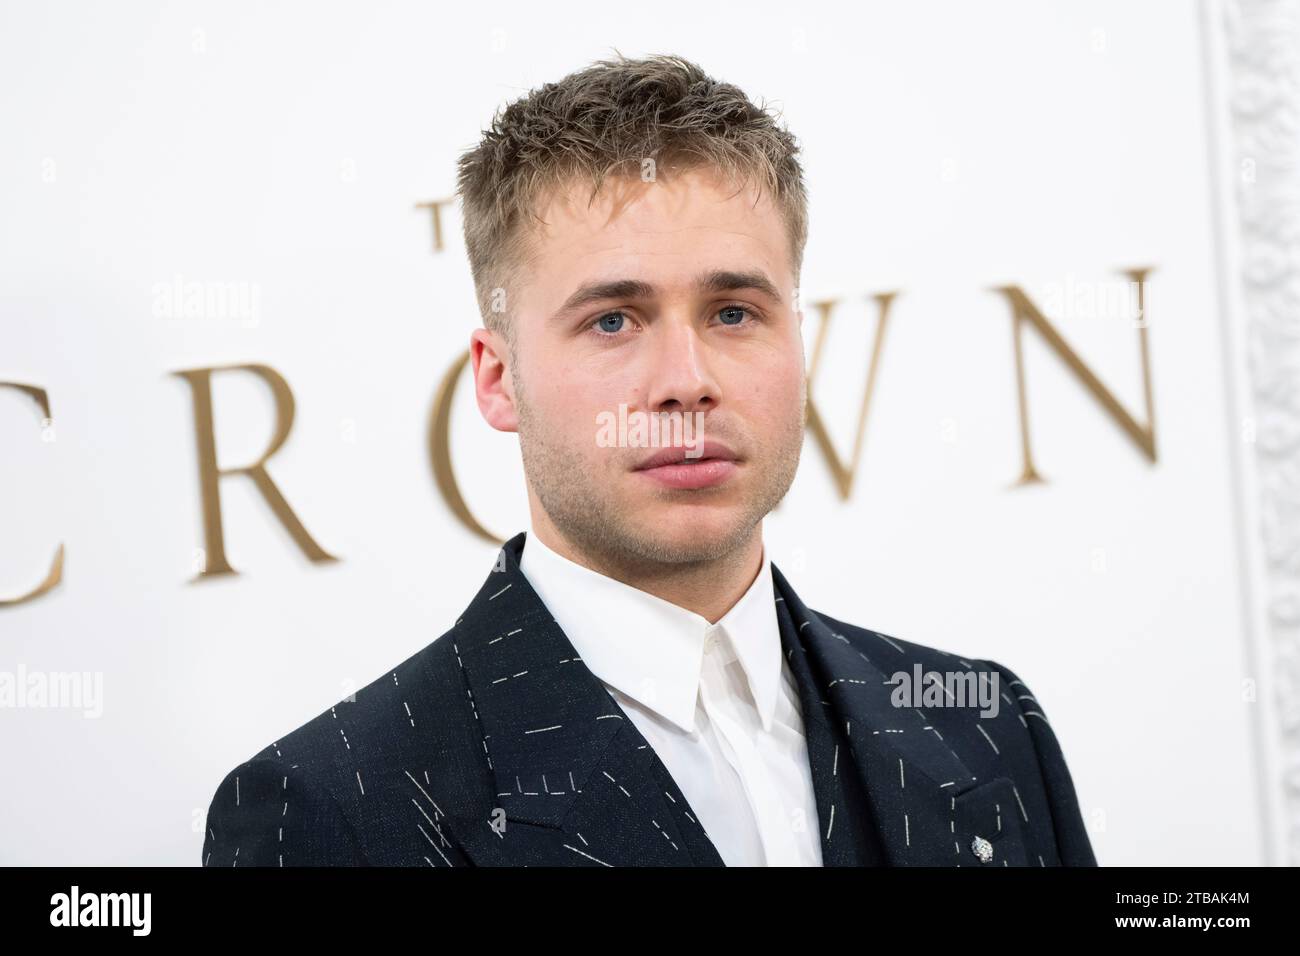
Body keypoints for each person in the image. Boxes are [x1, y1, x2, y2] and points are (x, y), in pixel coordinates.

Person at [201, 52, 1096, 867]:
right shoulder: (327, 816)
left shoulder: (980, 723)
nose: (686, 381)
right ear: (500, 378)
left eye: (734, 312)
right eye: (612, 321)